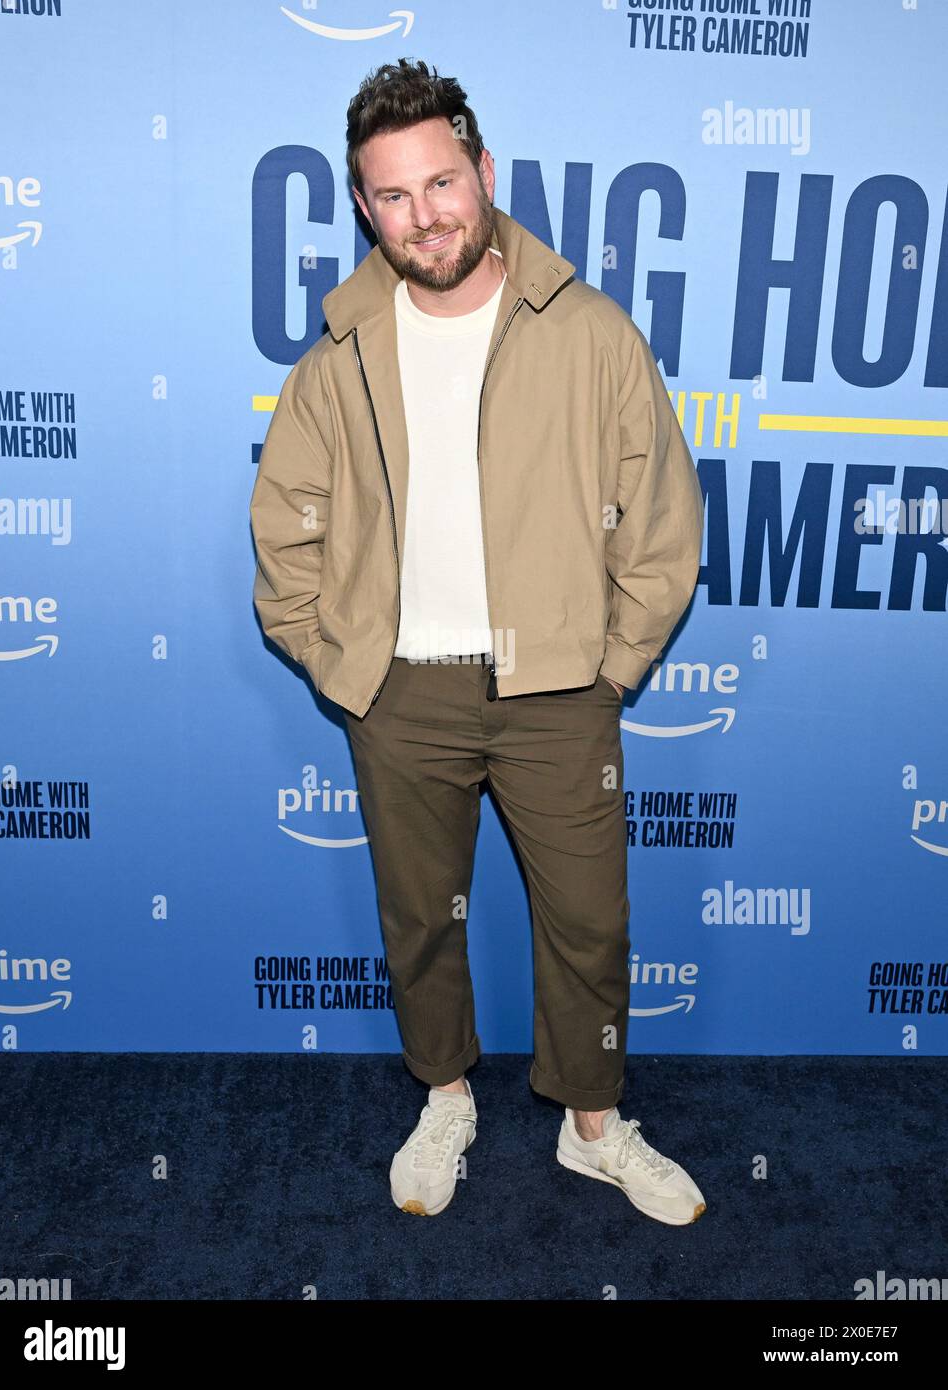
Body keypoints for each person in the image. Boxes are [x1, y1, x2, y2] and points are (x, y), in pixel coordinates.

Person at [250, 58, 706, 1225]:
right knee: (418, 918)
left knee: (590, 924)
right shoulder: (338, 355)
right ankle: (445, 1095)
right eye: (392, 196)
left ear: (483, 171)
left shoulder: (590, 332)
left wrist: (607, 670)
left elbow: (659, 521)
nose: (423, 216)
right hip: (399, 691)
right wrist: (337, 661)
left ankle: (592, 1126)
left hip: (560, 687)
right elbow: (283, 531)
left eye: (441, 183)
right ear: (365, 207)